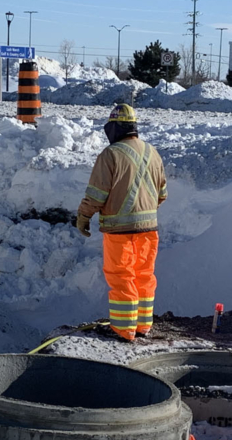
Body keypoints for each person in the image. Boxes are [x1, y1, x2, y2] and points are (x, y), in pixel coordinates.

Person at [77, 104, 167, 342]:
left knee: (121, 275)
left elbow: (97, 194)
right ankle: (142, 325)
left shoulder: (110, 154)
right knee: (144, 275)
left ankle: (124, 330)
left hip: (120, 232)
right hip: (149, 230)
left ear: (114, 128)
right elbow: (162, 193)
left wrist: (84, 216)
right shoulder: (153, 152)